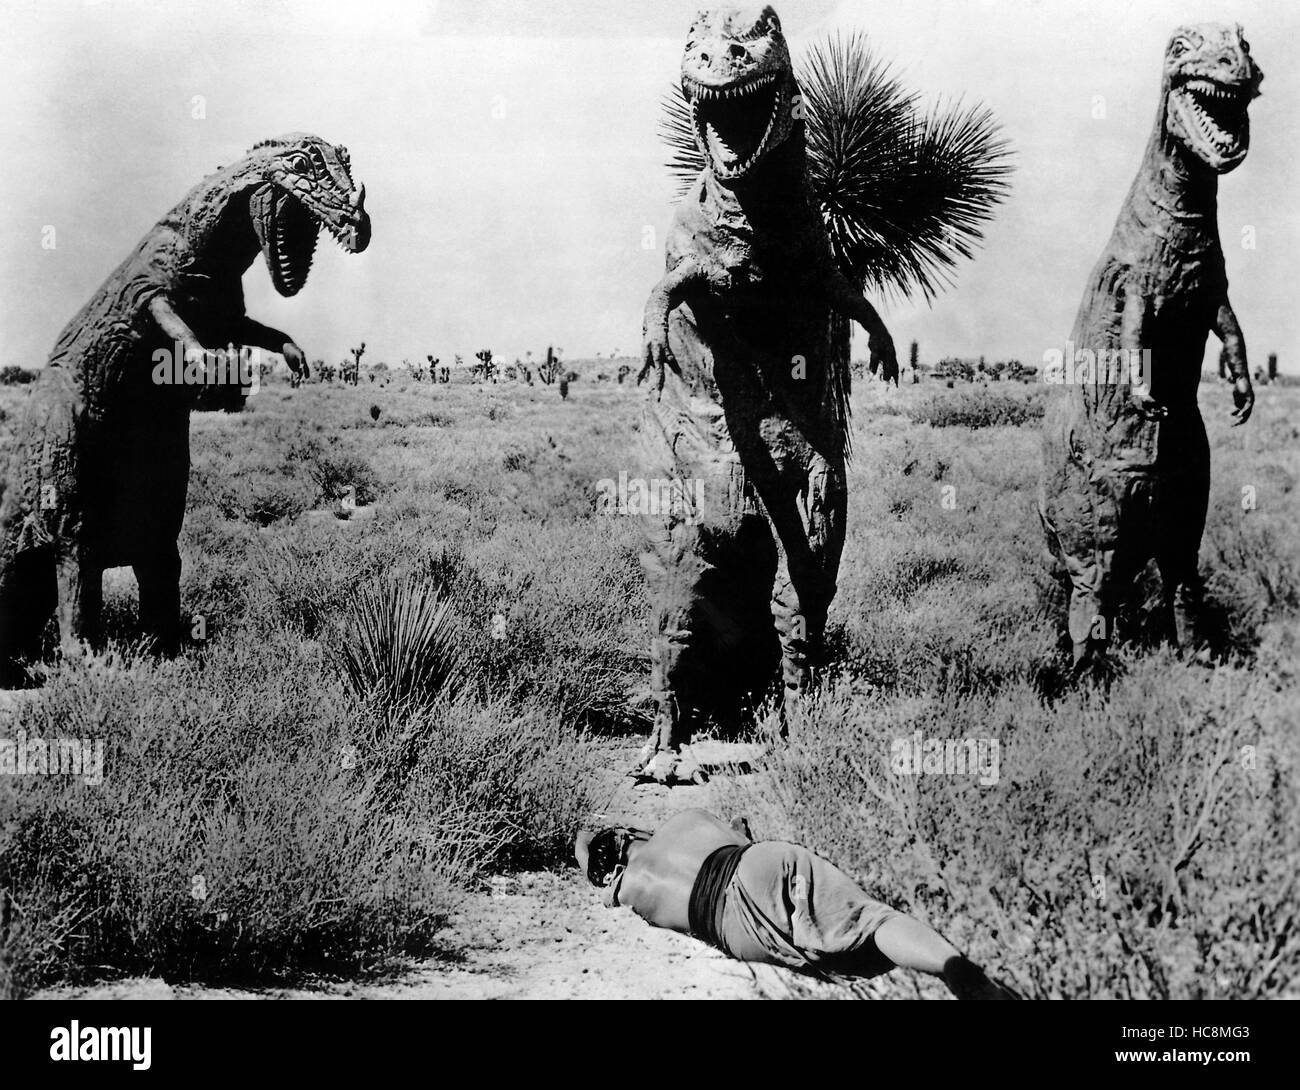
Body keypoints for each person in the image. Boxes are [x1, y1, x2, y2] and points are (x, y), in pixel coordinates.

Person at [575, 808, 1015, 999]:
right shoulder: (681, 823)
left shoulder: (630, 896)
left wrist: (589, 855)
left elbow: (589, 859)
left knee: (843, 952)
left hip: (737, 932)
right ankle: (965, 979)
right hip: (755, 866)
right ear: (629, 837)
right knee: (874, 922)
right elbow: (736, 837)